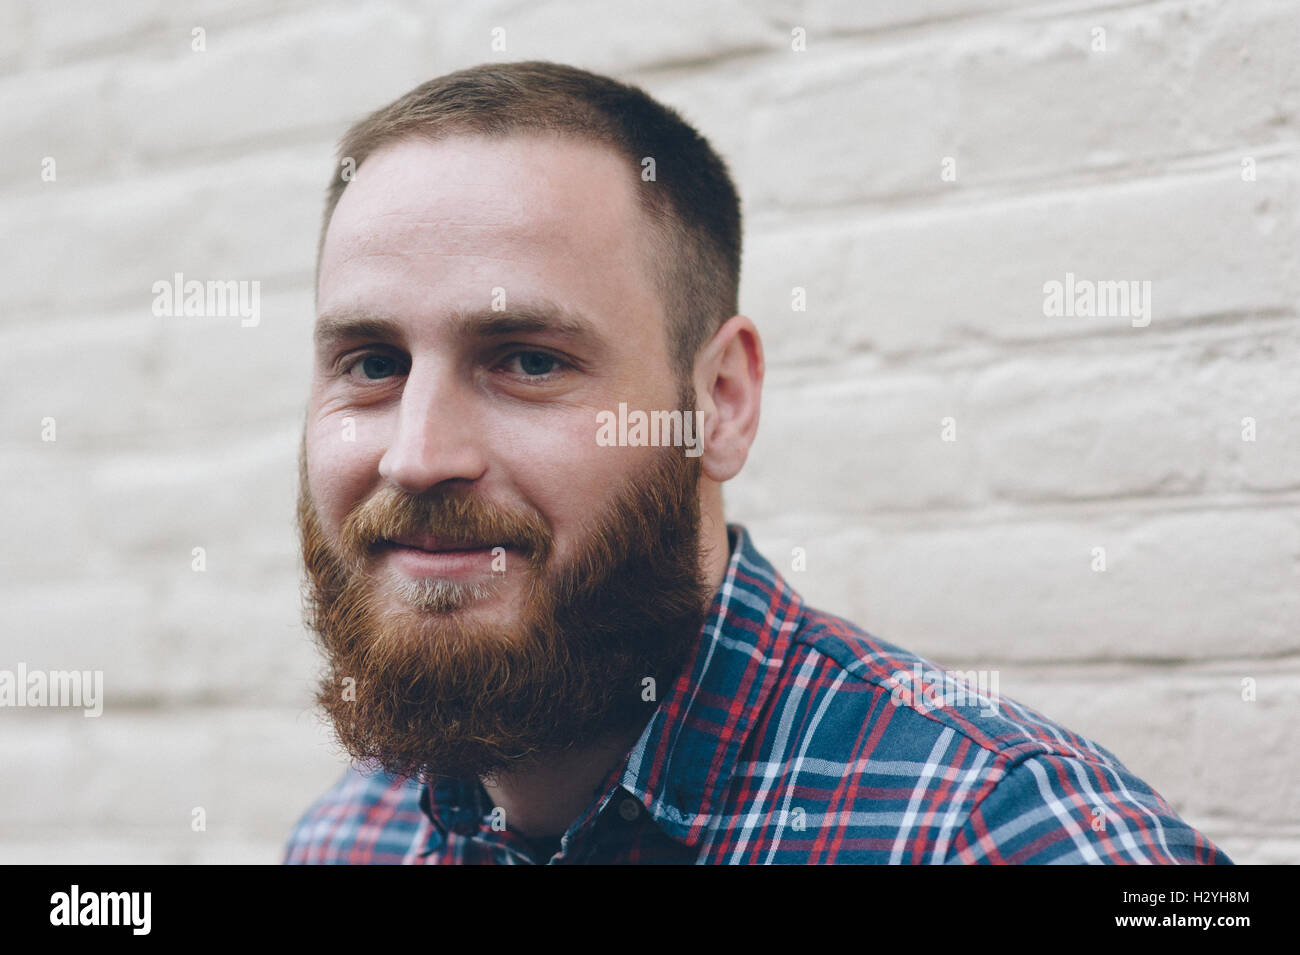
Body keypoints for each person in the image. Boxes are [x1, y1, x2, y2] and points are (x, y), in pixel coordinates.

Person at [283, 61, 1230, 864]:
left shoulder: (999, 837)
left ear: (721, 403)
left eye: (530, 361)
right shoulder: (353, 838)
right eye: (371, 365)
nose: (417, 456)